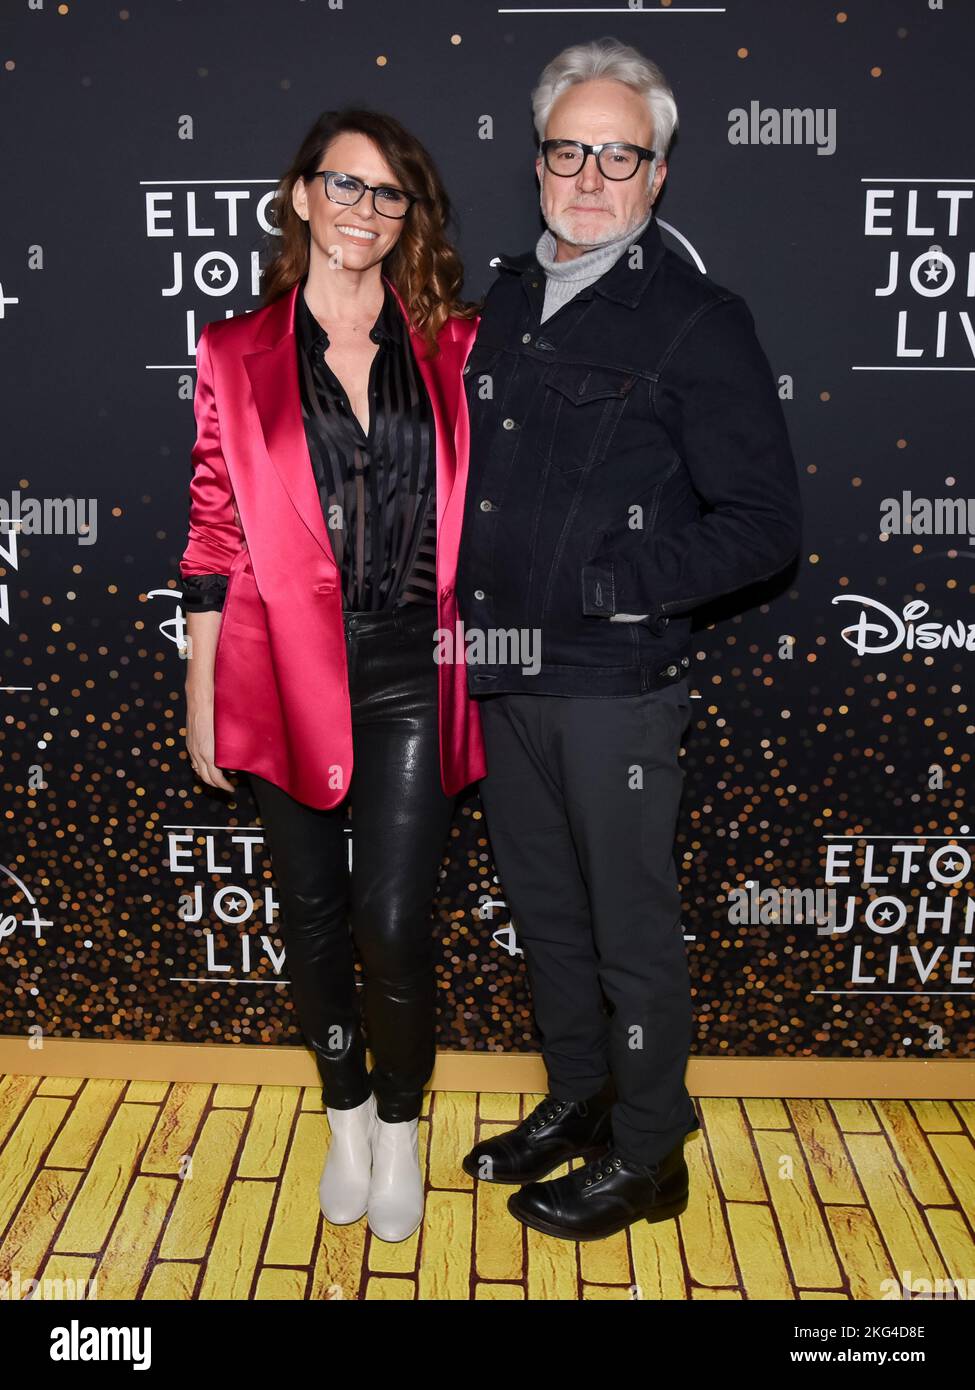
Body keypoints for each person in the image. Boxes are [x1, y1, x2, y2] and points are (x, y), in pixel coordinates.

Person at [457, 39, 803, 1241]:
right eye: (570, 149)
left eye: (622, 154)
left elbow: (765, 526)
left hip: (614, 690)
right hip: (498, 677)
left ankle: (651, 1154)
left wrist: (615, 584)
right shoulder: (499, 298)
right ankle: (583, 1098)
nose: (592, 175)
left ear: (658, 176)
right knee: (548, 915)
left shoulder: (699, 319)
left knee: (631, 934)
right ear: (539, 161)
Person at [178, 108, 485, 1244]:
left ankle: (401, 1125)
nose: (364, 209)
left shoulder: (456, 342)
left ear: (411, 217)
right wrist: (201, 690)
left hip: (415, 662)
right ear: (301, 195)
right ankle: (345, 1115)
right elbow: (212, 537)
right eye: (343, 185)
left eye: (389, 193)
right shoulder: (231, 351)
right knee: (311, 922)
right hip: (277, 669)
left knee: (395, 922)